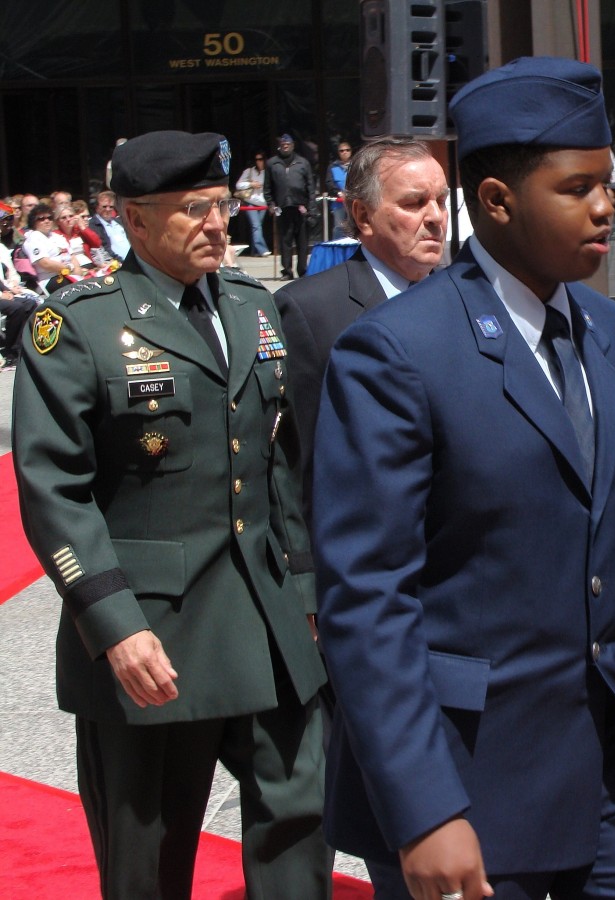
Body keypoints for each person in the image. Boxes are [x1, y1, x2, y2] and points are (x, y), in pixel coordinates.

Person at [312, 57, 615, 900]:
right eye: (576, 188)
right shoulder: (398, 353)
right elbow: (367, 595)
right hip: (471, 775)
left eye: (607, 183)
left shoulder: (611, 335)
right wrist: (425, 808)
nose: (608, 206)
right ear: (496, 200)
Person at [11, 130, 330, 900]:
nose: (217, 223)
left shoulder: (254, 308)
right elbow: (53, 486)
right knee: (147, 858)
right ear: (135, 219)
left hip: (267, 618)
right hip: (158, 633)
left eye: (220, 205)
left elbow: (279, 468)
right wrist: (112, 624)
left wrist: (309, 592)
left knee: (302, 814)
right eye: (193, 210)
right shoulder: (78, 327)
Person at [276, 137, 448, 523]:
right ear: (363, 215)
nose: (436, 217)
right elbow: (297, 468)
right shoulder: (308, 311)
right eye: (415, 203)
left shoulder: (469, 302)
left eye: (441, 200)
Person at [264, 133, 316, 279]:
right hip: (283, 208)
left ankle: (302, 270)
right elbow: (267, 188)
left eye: (288, 144)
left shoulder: (303, 163)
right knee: (285, 242)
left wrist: (311, 208)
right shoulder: (272, 163)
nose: (285, 147)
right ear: (279, 146)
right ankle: (287, 271)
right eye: (283, 145)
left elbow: (310, 188)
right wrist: (271, 204)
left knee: (302, 242)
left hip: (301, 208)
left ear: (292, 145)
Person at [0, 205, 39, 368]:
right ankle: (9, 351)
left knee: (29, 303)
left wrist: (9, 287)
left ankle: (21, 348)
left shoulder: (1, 248)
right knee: (15, 308)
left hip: (4, 289)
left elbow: (7, 274)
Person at [21, 202, 80, 291]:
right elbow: (45, 264)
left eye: (49, 218)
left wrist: (77, 270)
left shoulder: (56, 236)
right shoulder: (33, 238)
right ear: (33, 222)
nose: (47, 221)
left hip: (69, 274)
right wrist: (70, 268)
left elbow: (72, 256)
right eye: (41, 219)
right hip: (50, 279)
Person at [236, 153, 271, 257]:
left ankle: (254, 252)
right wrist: (251, 184)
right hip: (250, 202)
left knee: (257, 227)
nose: (259, 161)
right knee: (256, 226)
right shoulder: (249, 171)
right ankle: (262, 249)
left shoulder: (268, 172)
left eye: (261, 159)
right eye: (257, 159)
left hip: (263, 204)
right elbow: (238, 185)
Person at [89, 190, 132, 261]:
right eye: (104, 206)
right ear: (97, 207)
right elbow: (104, 249)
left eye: (111, 207)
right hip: (117, 263)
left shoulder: (118, 222)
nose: (108, 209)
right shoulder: (94, 225)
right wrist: (121, 261)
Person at [324, 141, 353, 238]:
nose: (344, 152)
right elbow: (329, 182)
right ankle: (337, 248)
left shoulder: (355, 166)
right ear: (338, 153)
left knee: (353, 226)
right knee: (338, 227)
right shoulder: (333, 167)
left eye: (347, 150)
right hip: (338, 203)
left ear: (351, 152)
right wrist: (338, 192)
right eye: (342, 151)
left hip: (352, 202)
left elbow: (360, 180)